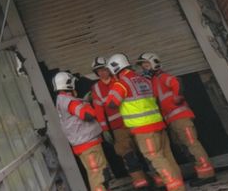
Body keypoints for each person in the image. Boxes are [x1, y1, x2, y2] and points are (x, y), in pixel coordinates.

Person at [104, 54, 185, 191]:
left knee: (156, 159)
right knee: (167, 156)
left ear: (115, 68)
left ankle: (175, 188)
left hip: (144, 130)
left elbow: (111, 104)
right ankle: (179, 185)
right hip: (159, 124)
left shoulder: (122, 83)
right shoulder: (143, 79)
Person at [139, 52, 217, 186]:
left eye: (146, 64)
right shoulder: (155, 80)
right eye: (143, 66)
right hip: (172, 119)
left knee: (192, 144)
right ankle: (200, 170)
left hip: (180, 117)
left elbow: (177, 83)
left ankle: (207, 173)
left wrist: (178, 96)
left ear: (154, 63)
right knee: (187, 145)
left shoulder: (163, 77)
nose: (144, 68)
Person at [89, 57, 151, 189]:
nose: (102, 72)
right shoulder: (97, 89)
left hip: (134, 121)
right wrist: (105, 129)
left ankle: (157, 177)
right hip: (118, 128)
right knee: (128, 156)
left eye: (104, 69)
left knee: (148, 150)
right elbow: (99, 110)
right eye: (98, 70)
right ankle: (141, 183)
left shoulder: (119, 81)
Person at [54, 71, 113, 191]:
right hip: (88, 145)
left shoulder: (64, 100)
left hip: (86, 144)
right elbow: (86, 114)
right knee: (97, 175)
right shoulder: (68, 100)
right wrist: (91, 105)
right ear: (68, 84)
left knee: (100, 173)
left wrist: (83, 101)